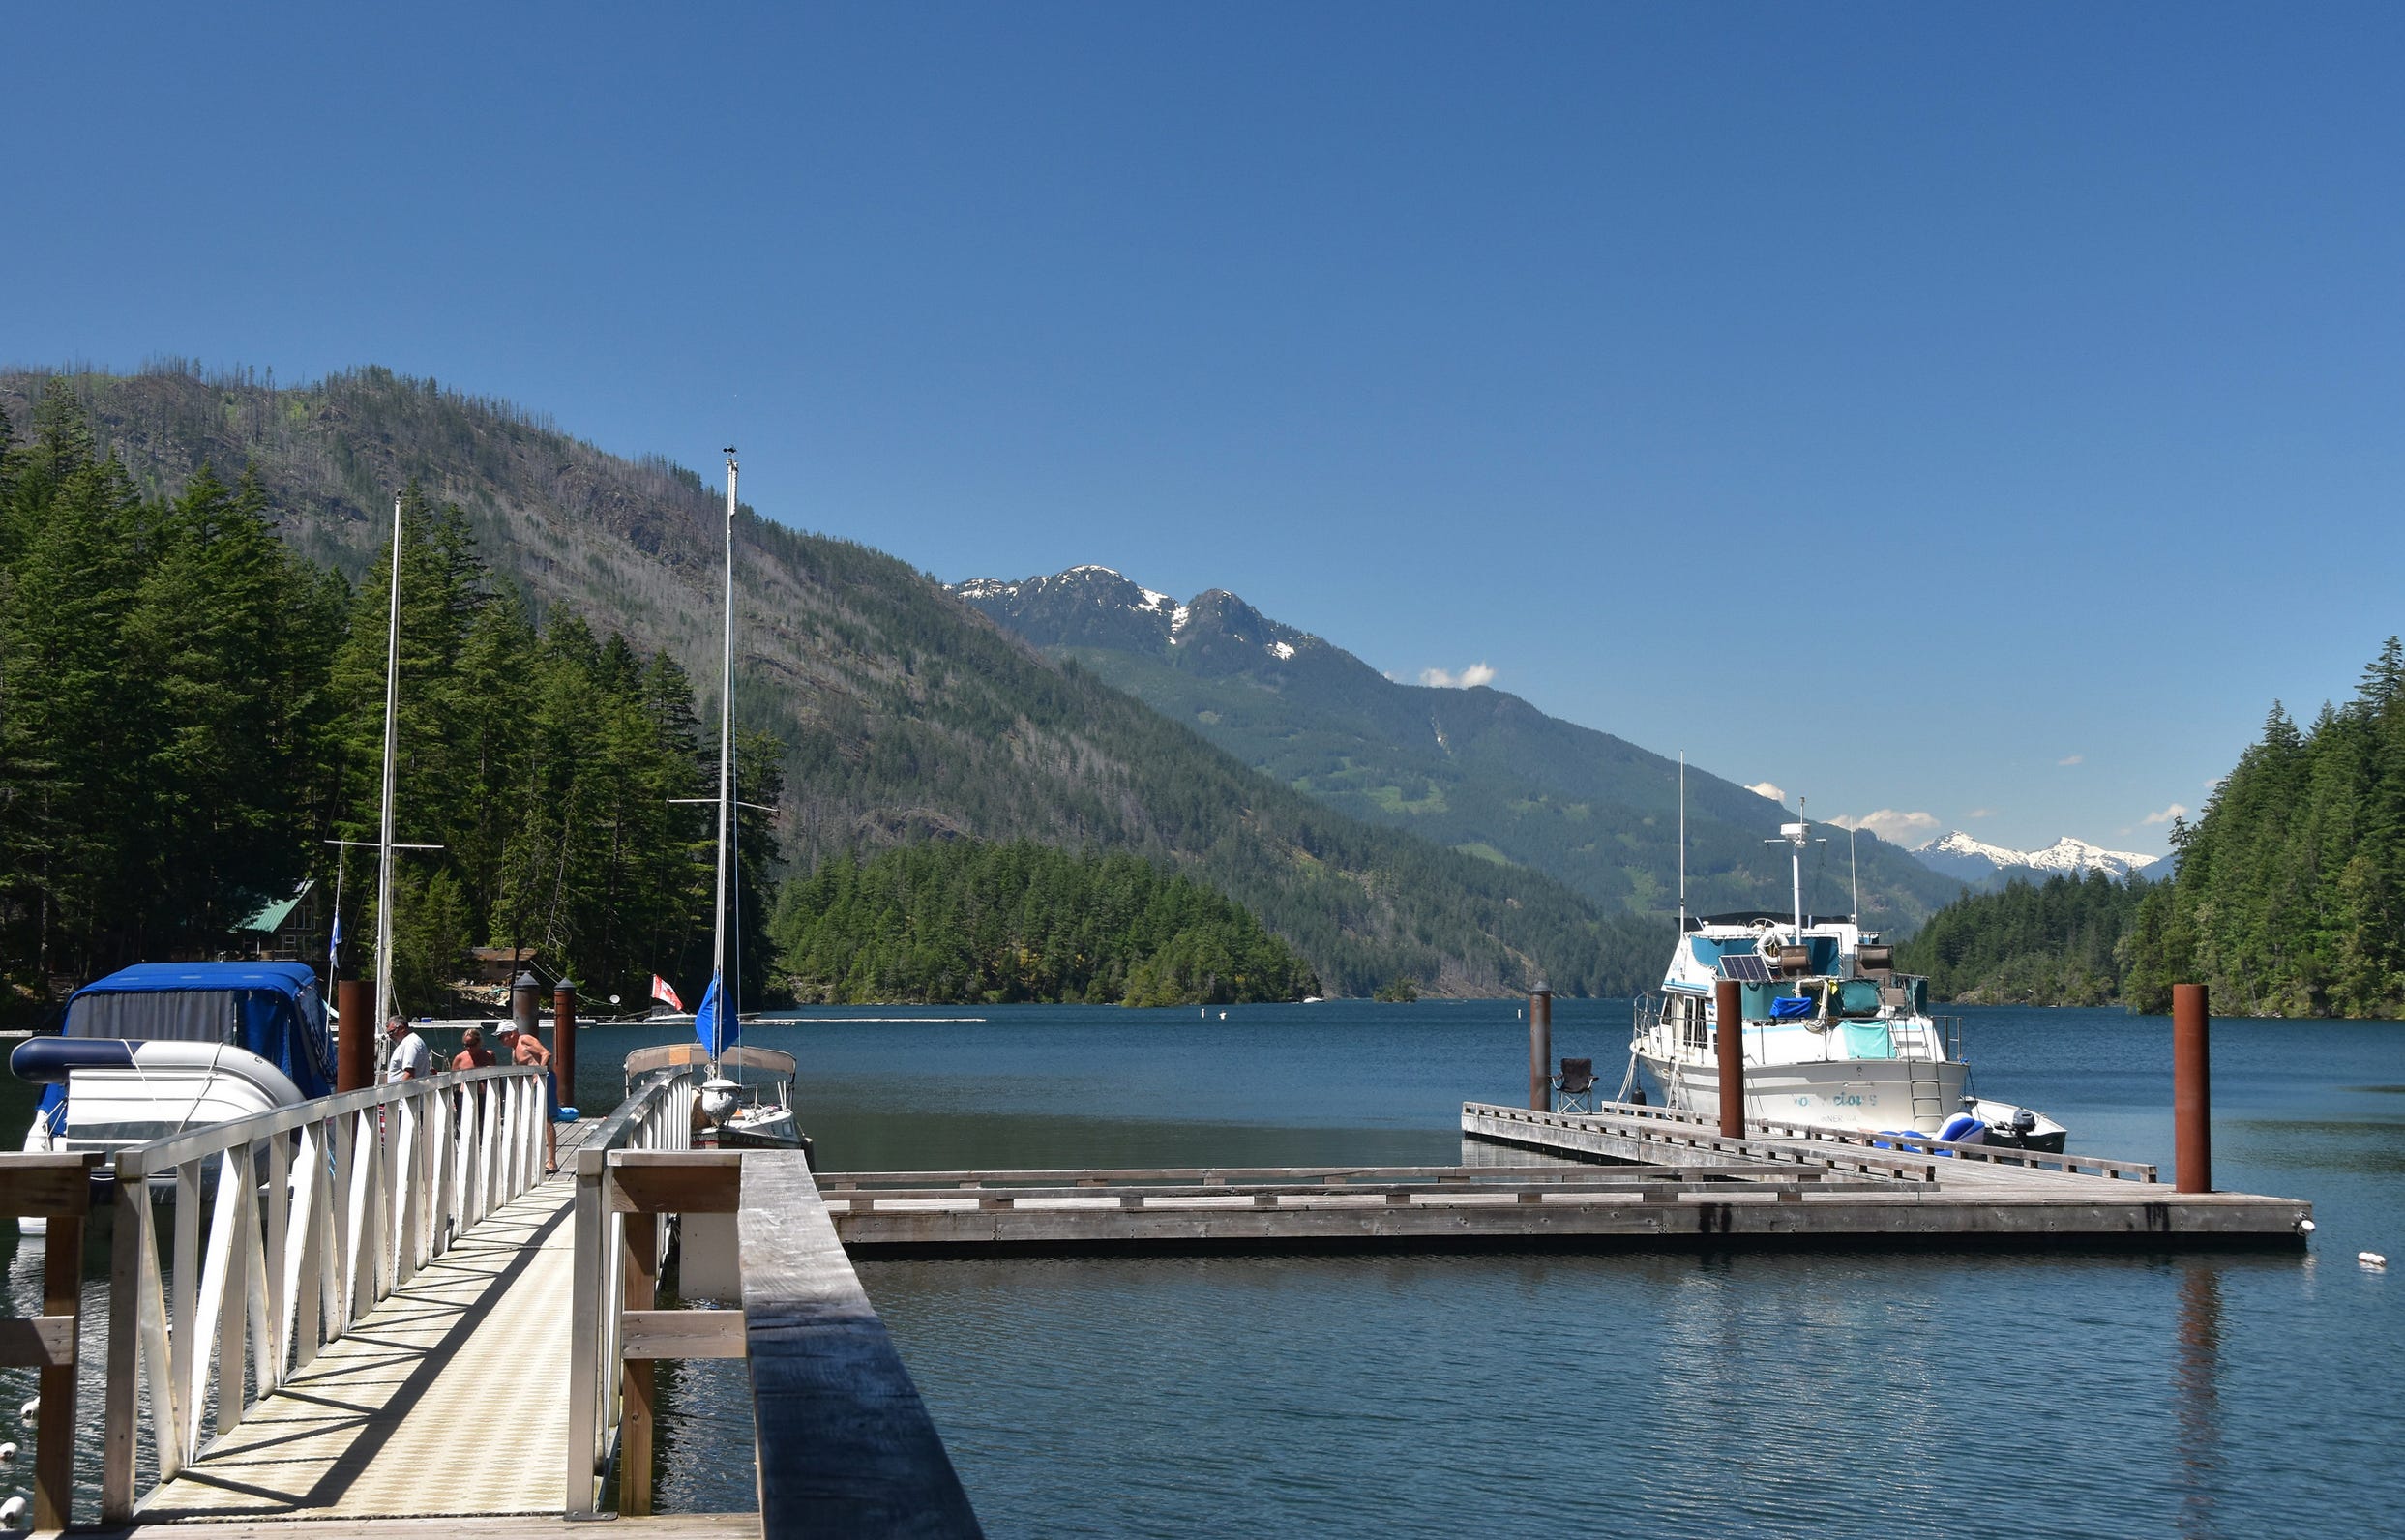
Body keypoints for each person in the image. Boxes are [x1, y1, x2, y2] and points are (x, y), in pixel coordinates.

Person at [515, 1019, 558, 1174]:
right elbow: (519, 1073)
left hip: (545, 1078)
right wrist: (516, 1094)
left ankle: (552, 1161)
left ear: (511, 1034)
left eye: (502, 1036)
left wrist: (538, 1073)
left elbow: (546, 1053)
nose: (500, 1040)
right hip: (531, 1085)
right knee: (530, 1119)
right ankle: (533, 1159)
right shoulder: (515, 1051)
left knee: (547, 1119)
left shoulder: (524, 1039)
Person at [384, 1014, 431, 1083]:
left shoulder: (411, 1043)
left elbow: (409, 1074)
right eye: (388, 1033)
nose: (390, 1036)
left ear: (402, 1028)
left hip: (406, 1092)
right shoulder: (406, 1042)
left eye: (392, 1032)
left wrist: (400, 1093)